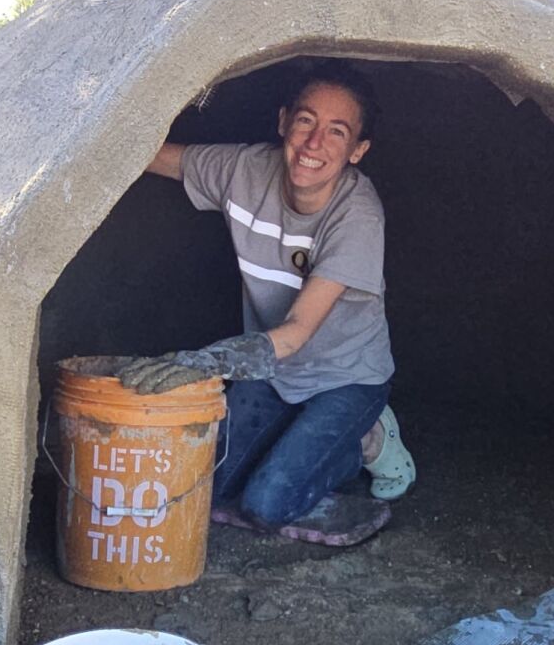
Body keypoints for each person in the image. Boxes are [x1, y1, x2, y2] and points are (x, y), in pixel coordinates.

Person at [121, 61, 415, 540]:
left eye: (337, 132)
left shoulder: (358, 214)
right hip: (273, 370)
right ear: (283, 122)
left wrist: (207, 363)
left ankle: (364, 440)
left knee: (267, 503)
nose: (314, 143)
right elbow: (152, 156)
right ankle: (298, 436)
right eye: (305, 121)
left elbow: (297, 331)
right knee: (204, 486)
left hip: (347, 377)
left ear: (358, 150)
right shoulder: (244, 171)